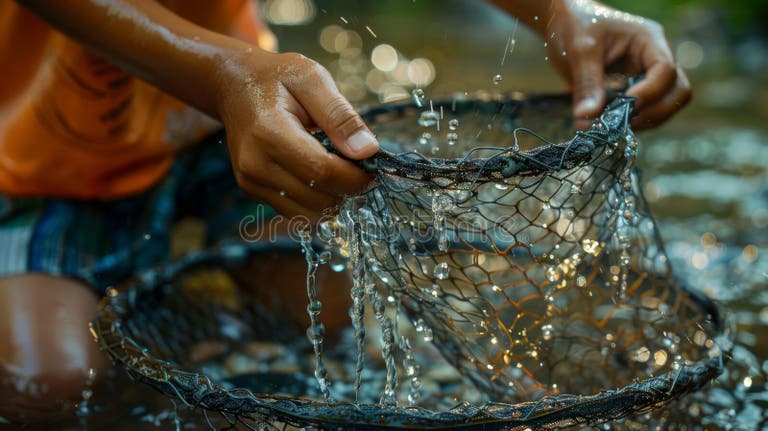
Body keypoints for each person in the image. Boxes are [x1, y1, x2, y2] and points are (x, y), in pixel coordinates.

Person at [0, 0, 690, 424]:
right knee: (53, 388)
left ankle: (200, 278)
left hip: (231, 106)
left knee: (334, 309)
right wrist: (218, 72)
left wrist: (559, 9)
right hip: (37, 146)